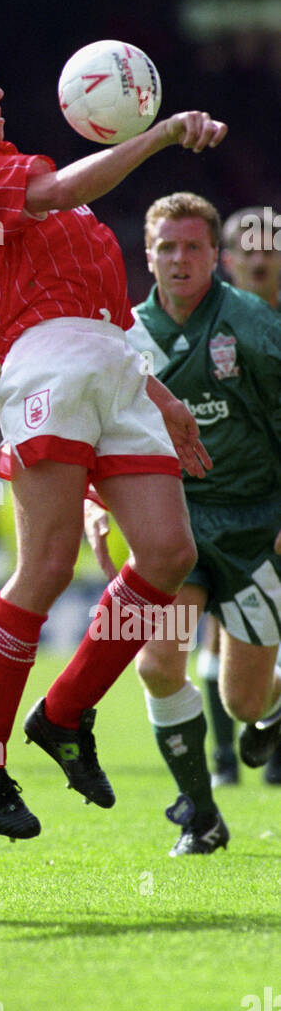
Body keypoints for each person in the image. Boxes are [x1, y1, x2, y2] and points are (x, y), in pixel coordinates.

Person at [0, 26, 225, 844]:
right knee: (45, 564)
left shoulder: (23, 171)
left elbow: (102, 315)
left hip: (112, 363)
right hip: (42, 365)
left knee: (170, 555)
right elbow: (58, 197)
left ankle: (65, 714)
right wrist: (164, 133)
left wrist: (162, 397)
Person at [87, 193, 281, 854]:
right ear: (147, 254)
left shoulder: (253, 325)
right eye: (166, 247)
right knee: (159, 662)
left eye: (192, 247)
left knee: (244, 704)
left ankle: (273, 710)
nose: (179, 259)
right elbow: (97, 431)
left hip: (257, 530)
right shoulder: (123, 338)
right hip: (173, 526)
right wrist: (93, 502)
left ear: (215, 257)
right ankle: (200, 815)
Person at [198, 206, 281, 786]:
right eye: (246, 248)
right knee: (218, 624)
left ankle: (270, 749)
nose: (259, 257)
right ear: (226, 260)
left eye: (270, 246)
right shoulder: (202, 328)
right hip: (227, 504)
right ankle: (224, 757)